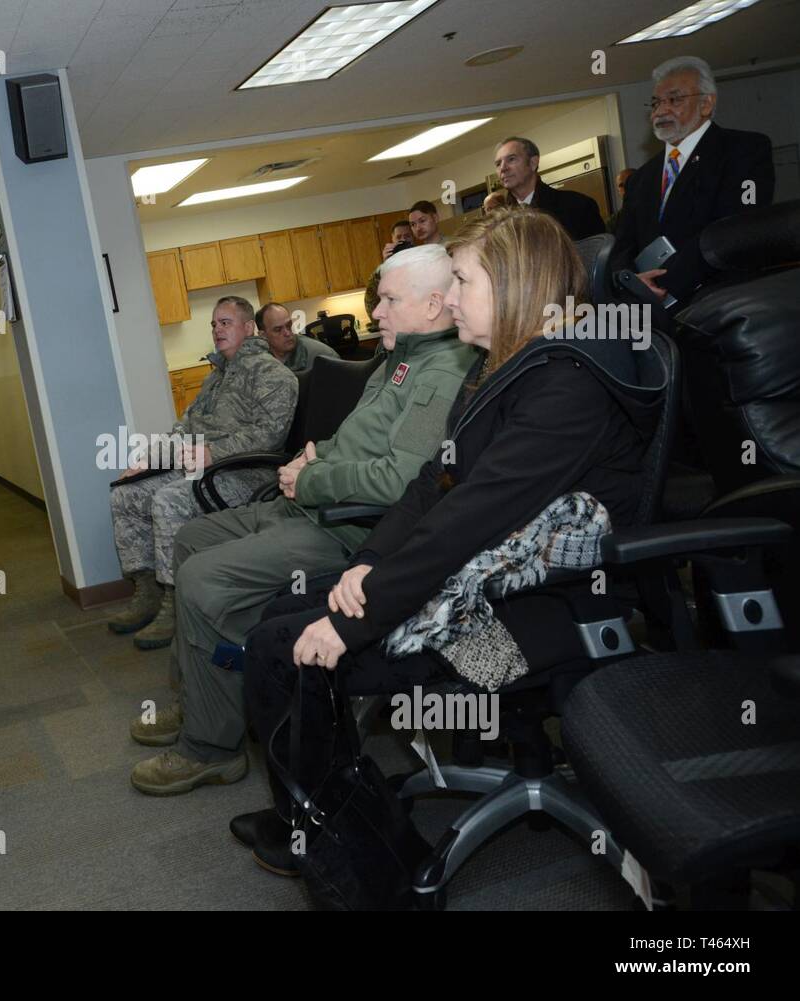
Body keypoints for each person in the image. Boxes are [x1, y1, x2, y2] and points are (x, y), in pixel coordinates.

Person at [236, 208, 665, 874]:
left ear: (513, 283)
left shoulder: (567, 385)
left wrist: (363, 614)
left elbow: (467, 517)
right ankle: (319, 814)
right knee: (278, 618)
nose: (451, 299)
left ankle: (363, 861)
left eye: (462, 281)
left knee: (282, 647)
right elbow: (432, 488)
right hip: (485, 585)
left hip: (532, 617)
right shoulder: (506, 368)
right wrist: (371, 562)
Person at [128, 246, 480, 795]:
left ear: (434, 305)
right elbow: (352, 437)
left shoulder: (445, 368)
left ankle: (210, 748)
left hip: (346, 531)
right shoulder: (397, 357)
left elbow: (397, 482)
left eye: (388, 300)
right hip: (307, 502)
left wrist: (312, 480)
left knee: (202, 578)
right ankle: (202, 701)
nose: (376, 312)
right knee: (191, 536)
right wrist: (308, 458)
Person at [106, 296, 297, 650]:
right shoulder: (216, 378)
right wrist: (149, 459)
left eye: (225, 322)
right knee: (126, 493)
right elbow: (185, 427)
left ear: (248, 327)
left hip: (247, 473)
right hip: (205, 468)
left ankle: (173, 603)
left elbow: (269, 436)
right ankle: (146, 589)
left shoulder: (273, 375)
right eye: (213, 324)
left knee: (168, 500)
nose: (217, 330)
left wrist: (213, 452)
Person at [612, 55, 774, 304]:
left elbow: (737, 229)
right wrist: (632, 281)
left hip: (722, 303)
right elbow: (623, 244)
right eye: (656, 103)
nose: (661, 110)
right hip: (653, 311)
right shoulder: (641, 178)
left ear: (706, 104)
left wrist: (668, 285)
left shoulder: (744, 150)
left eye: (674, 100)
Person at [493, 136, 606, 240]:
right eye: (498, 164)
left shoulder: (577, 206)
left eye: (511, 159)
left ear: (533, 163)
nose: (503, 168)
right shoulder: (497, 222)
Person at [257, 301, 338, 372]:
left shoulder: (324, 357)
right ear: (263, 336)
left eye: (289, 325)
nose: (287, 333)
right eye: (278, 330)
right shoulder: (258, 362)